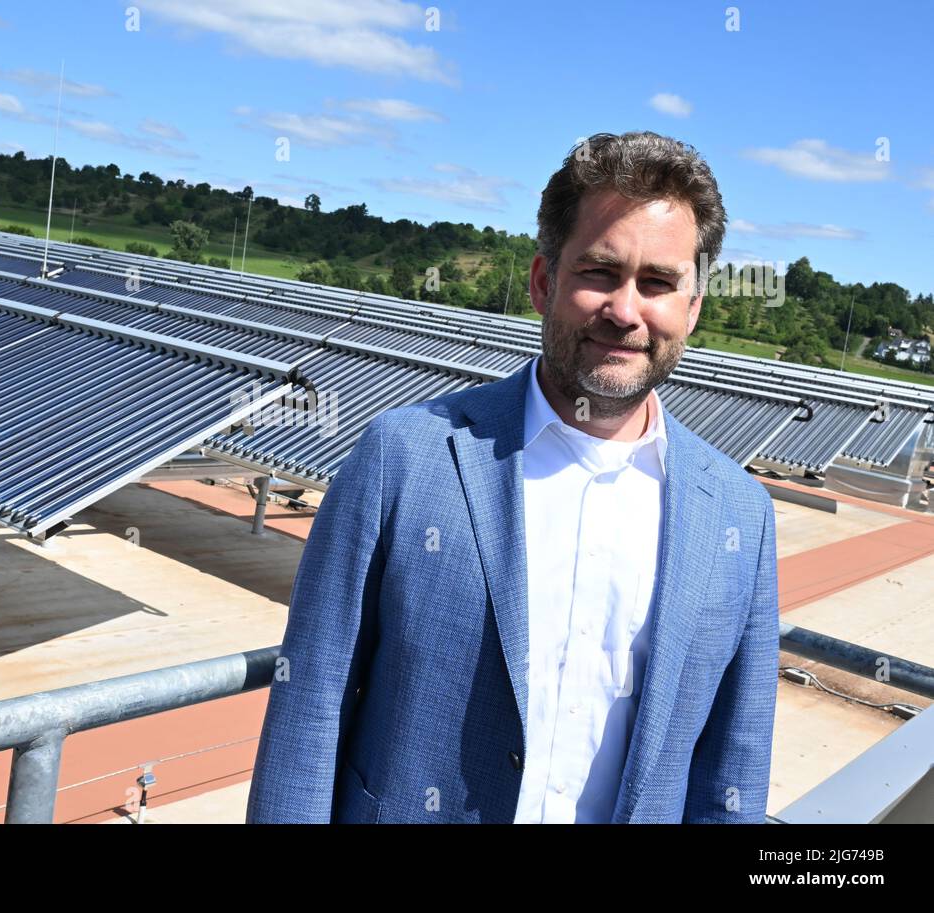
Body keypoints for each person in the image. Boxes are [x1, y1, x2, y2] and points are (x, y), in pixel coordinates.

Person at [245, 131, 779, 824]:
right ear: (541, 281)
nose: (625, 310)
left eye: (657, 283)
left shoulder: (740, 516)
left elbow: (730, 774)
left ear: (693, 308)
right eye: (598, 271)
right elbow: (310, 704)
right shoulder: (402, 459)